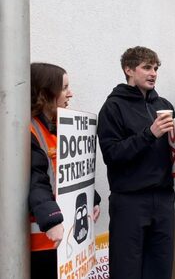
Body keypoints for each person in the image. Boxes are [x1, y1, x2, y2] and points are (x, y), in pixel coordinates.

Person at [97, 46, 175, 279]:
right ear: (128, 70)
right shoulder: (113, 106)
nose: (153, 73)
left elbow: (167, 152)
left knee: (160, 267)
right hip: (130, 200)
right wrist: (149, 134)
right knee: (127, 269)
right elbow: (112, 154)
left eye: (155, 68)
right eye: (146, 68)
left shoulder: (161, 104)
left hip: (163, 198)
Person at [29, 63, 101, 279]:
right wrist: (50, 220)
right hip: (45, 241)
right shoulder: (30, 130)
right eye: (64, 88)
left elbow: (72, 172)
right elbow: (36, 179)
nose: (71, 93)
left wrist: (92, 199)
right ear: (44, 93)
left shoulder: (58, 126)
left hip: (65, 240)